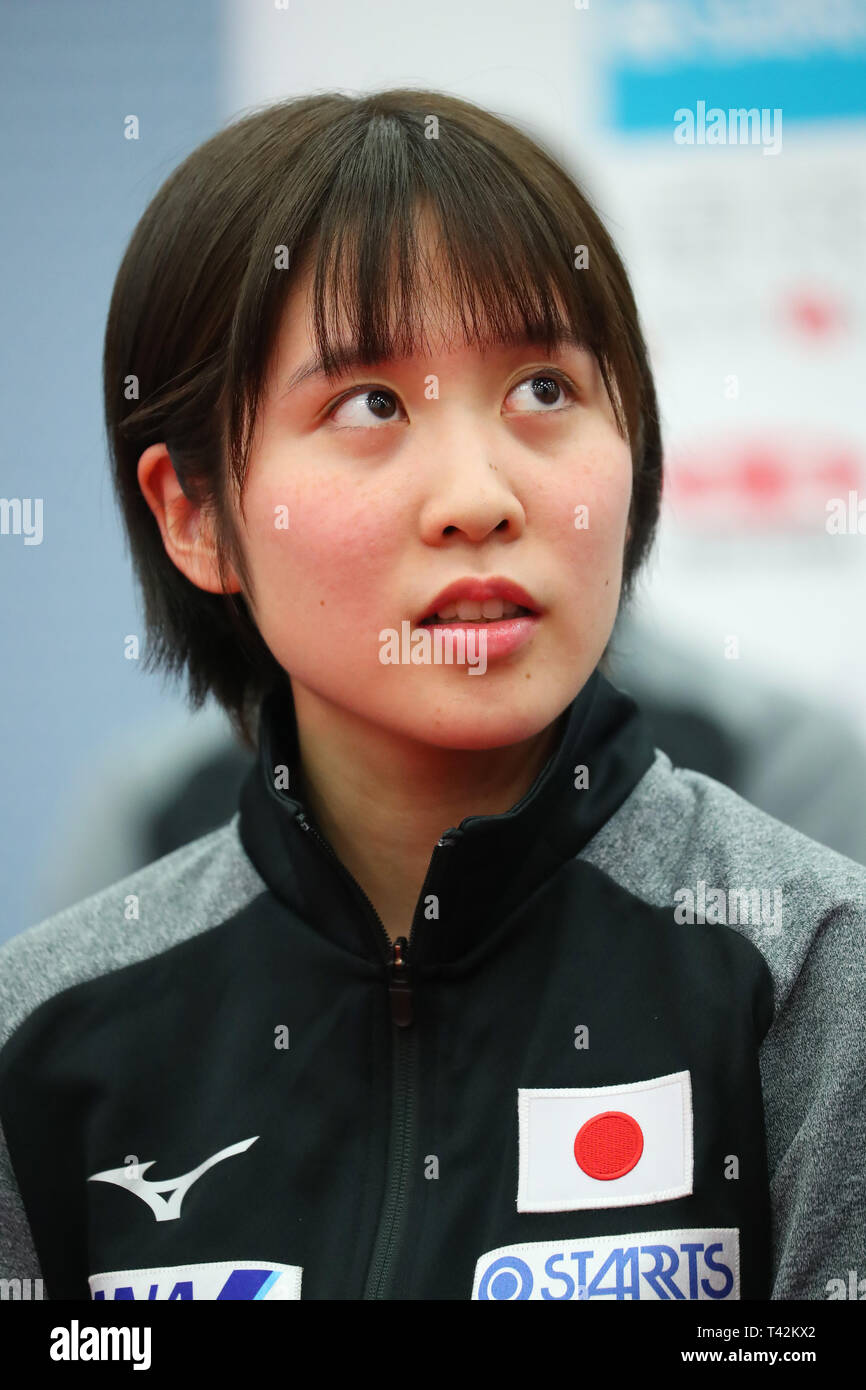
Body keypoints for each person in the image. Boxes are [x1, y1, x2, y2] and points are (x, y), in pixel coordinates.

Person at [0, 88, 863, 1303]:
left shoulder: (821, 973)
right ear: (195, 514)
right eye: (370, 405)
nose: (479, 493)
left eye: (544, 391)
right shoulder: (40, 1037)